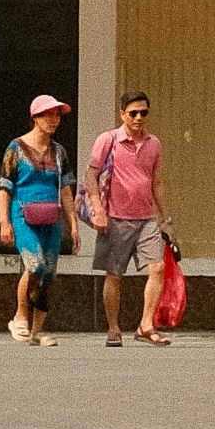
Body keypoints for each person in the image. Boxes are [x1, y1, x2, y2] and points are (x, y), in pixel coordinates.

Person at [87, 93, 167, 348]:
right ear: (122, 114)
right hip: (116, 219)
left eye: (143, 112)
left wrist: (164, 217)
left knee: (157, 268)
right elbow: (91, 176)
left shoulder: (154, 143)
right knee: (114, 275)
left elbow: (157, 181)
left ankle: (146, 325)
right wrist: (98, 209)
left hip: (147, 219)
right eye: (133, 113)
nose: (138, 118)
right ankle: (113, 328)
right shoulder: (108, 140)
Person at [0, 93, 72, 344]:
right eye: (48, 115)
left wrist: (73, 225)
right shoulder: (16, 148)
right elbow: (4, 186)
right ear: (35, 117)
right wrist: (4, 223)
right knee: (35, 265)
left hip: (52, 218)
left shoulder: (59, 151)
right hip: (23, 215)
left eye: (57, 116)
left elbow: (65, 188)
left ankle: (38, 331)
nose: (54, 120)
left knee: (49, 274)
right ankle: (20, 316)